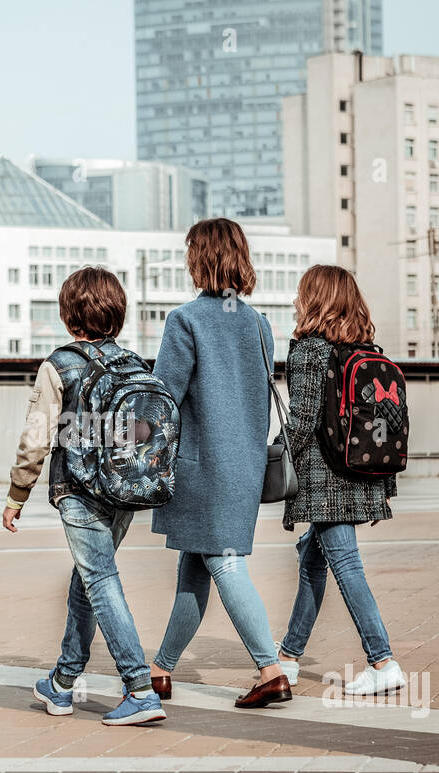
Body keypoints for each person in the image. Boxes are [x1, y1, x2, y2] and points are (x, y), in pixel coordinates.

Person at [1, 266, 167, 726]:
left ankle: (139, 689)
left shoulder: (59, 365)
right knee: (87, 578)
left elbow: (36, 438)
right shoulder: (135, 364)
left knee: (99, 580)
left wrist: (17, 494)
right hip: (124, 490)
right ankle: (62, 682)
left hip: (78, 490)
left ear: (67, 314)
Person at [147, 219, 292, 709]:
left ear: (200, 259)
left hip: (201, 466)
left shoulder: (184, 320)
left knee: (224, 562)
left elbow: (164, 398)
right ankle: (161, 669)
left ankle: (269, 669)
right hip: (243, 465)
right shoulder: (258, 324)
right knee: (196, 564)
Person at [277, 264, 405, 695]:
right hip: (359, 472)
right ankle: (288, 659)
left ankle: (383, 660)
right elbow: (384, 426)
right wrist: (381, 487)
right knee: (313, 564)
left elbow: (302, 420)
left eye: (301, 292)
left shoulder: (309, 351)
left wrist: (273, 461)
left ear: (313, 299)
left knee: (345, 563)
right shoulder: (367, 351)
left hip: (324, 477)